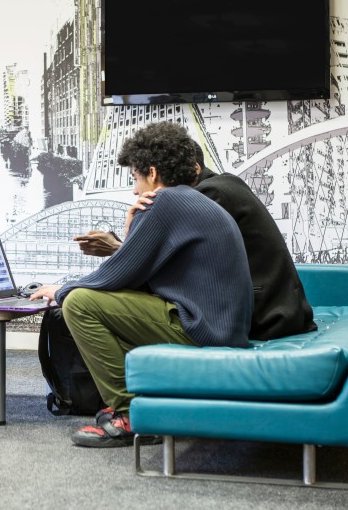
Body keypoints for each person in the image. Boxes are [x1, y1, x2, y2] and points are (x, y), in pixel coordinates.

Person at [31, 122, 253, 448]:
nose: (135, 191)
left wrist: (60, 290)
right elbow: (136, 273)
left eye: (135, 178)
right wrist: (131, 226)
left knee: (79, 303)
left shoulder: (165, 203)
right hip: (220, 328)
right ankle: (146, 403)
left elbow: (115, 275)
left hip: (203, 331)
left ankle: (130, 415)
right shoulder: (192, 201)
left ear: (152, 172)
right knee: (100, 304)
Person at [75, 139, 315, 341]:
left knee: (92, 305)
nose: (135, 191)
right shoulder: (224, 184)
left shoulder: (207, 195)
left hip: (264, 317)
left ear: (194, 168)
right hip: (278, 310)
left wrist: (122, 244)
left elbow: (155, 270)